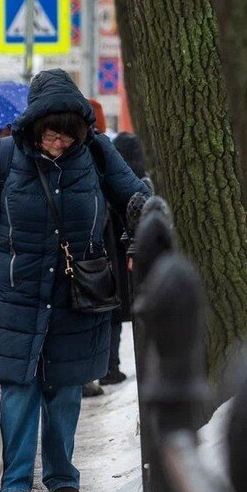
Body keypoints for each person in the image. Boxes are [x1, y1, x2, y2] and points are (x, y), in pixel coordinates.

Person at [0, 69, 148, 492]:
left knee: (65, 389)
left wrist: (143, 237)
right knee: (19, 389)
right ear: (35, 126)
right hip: (13, 292)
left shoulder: (96, 153)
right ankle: (15, 483)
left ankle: (62, 478)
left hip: (76, 293)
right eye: (51, 135)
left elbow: (135, 200)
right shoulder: (4, 157)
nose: (58, 144)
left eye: (67, 136)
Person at [101, 131, 149, 386]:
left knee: (112, 314)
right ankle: (113, 367)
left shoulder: (110, 179)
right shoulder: (137, 183)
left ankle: (110, 366)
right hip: (129, 256)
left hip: (112, 256)